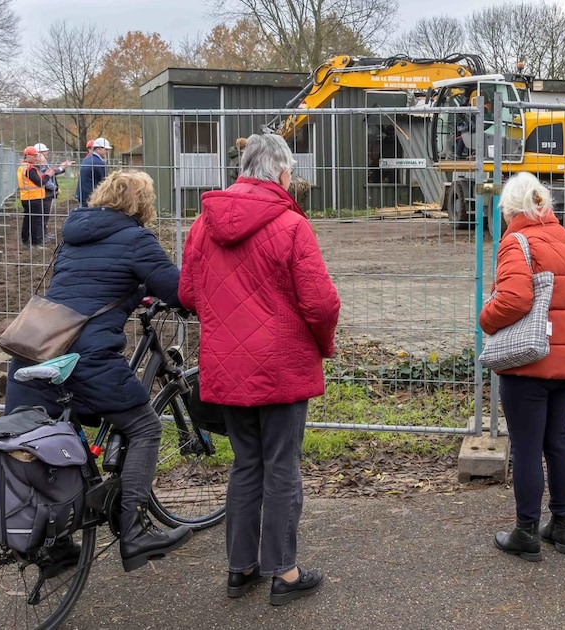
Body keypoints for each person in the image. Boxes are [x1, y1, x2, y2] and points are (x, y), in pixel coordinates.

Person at [178, 133, 340, 605]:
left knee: (246, 465)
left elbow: (188, 295)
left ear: (243, 167)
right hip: (282, 367)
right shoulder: (292, 224)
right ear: (281, 172)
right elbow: (321, 302)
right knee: (282, 468)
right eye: (290, 170)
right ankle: (284, 574)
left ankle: (240, 567)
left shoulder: (203, 224)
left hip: (228, 366)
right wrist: (321, 345)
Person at [4, 170, 193, 573]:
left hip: (37, 352)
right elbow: (176, 290)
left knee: (47, 440)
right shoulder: (138, 239)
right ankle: (136, 531)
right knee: (145, 427)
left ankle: (53, 548)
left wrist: (133, 291)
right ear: (142, 204)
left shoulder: (74, 235)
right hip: (86, 357)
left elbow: (90, 282)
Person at [479, 172, 565, 562]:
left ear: (510, 209)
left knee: (526, 448)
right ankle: (562, 526)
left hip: (529, 361)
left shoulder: (517, 241)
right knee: (557, 441)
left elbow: (512, 299)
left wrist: (485, 319)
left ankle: (525, 531)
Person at [34, 143, 73, 242]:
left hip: (47, 193)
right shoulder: (38, 165)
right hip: (45, 193)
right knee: (43, 215)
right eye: (45, 151)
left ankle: (44, 234)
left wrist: (62, 168)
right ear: (39, 153)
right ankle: (40, 237)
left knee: (45, 215)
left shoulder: (43, 163)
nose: (47, 153)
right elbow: (44, 180)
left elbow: (51, 172)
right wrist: (55, 188)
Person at [17, 146, 50, 247]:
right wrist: (48, 175)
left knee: (27, 219)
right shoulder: (29, 169)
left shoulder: (22, 167)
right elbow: (40, 182)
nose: (36, 158)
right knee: (35, 220)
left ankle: (25, 240)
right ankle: (35, 242)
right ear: (28, 156)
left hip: (26, 197)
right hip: (34, 198)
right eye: (34, 155)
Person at [76, 137, 111, 205]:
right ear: (98, 149)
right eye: (105, 149)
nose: (107, 152)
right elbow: (104, 182)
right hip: (92, 196)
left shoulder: (86, 159)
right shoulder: (99, 163)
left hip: (82, 194)